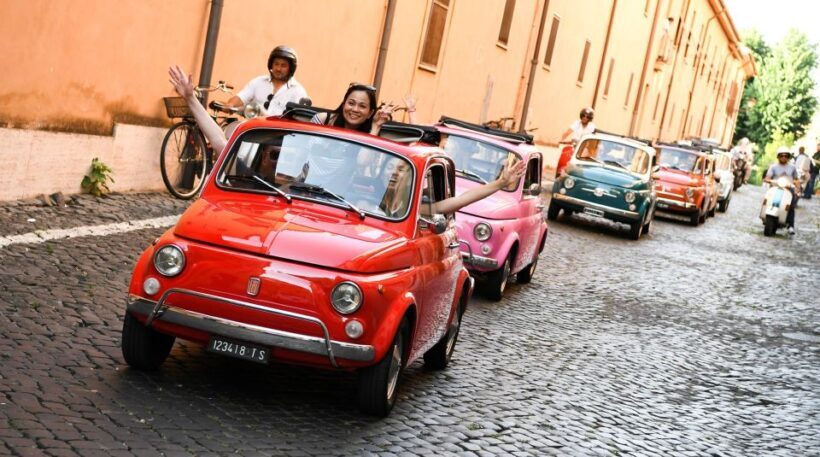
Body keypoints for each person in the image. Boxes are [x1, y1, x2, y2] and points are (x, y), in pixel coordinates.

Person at [224, 45, 308, 116]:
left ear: (291, 68)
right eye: (276, 64)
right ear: (271, 65)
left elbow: (300, 118)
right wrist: (230, 104)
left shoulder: (298, 91)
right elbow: (241, 97)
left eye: (283, 65)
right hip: (252, 131)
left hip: (280, 135)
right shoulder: (258, 82)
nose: (278, 68)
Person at [310, 83, 393, 135]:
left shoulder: (372, 132)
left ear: (370, 113)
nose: (355, 109)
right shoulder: (322, 120)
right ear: (343, 104)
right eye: (351, 103)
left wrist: (376, 126)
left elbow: (363, 162)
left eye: (362, 106)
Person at [764, 146, 801, 235]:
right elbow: (768, 177)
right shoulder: (773, 167)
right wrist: (768, 180)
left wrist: (797, 187)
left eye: (786, 156)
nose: (784, 157)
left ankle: (790, 225)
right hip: (775, 187)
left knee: (791, 206)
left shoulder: (792, 167)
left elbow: (796, 179)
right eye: (781, 156)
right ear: (778, 156)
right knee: (767, 200)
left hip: (788, 189)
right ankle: (764, 215)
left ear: (788, 157)